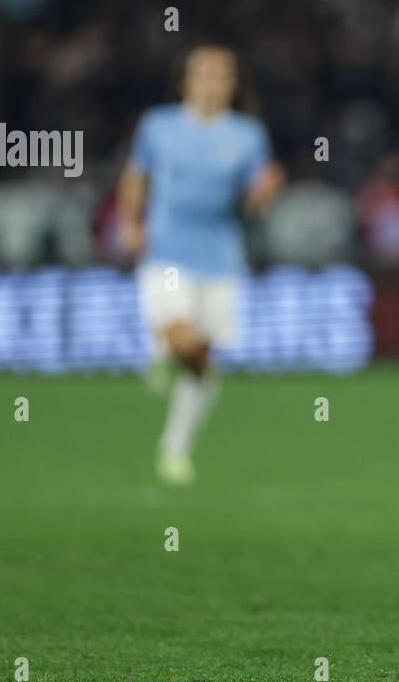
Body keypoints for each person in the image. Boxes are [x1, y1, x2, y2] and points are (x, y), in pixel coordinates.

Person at [118, 44, 283, 485]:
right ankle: (162, 346)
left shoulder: (248, 135)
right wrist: (129, 222)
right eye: (203, 73)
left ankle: (175, 447)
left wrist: (265, 193)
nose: (212, 81)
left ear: (232, 85)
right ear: (186, 81)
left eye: (221, 74)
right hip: (166, 253)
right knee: (184, 339)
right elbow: (137, 176)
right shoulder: (158, 126)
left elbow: (253, 203)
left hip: (221, 259)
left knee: (201, 360)